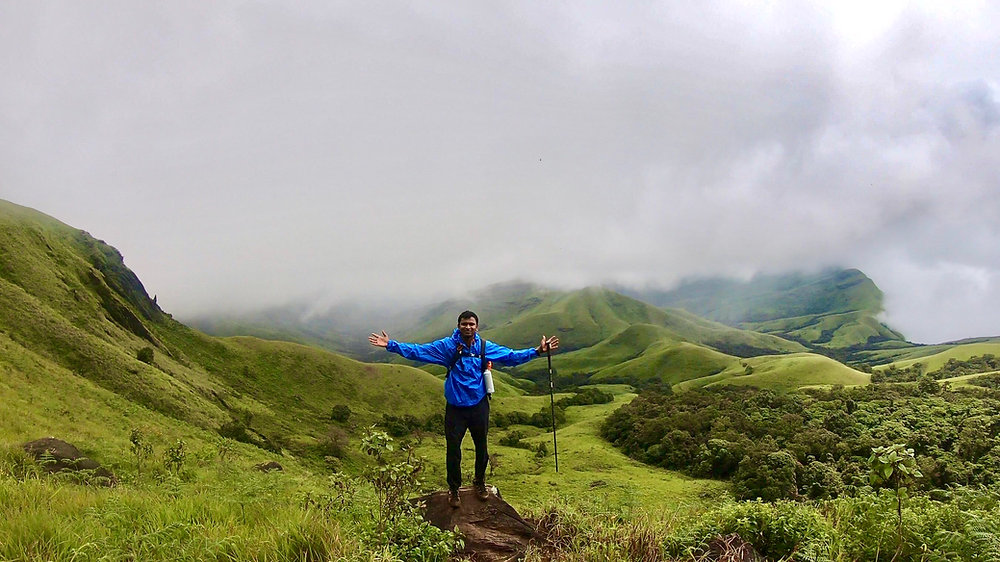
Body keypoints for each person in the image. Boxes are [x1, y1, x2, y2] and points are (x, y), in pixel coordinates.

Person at [369, 310, 558, 508]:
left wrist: (537, 351)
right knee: (453, 450)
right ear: (458, 326)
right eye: (464, 324)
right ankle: (454, 489)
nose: (468, 327)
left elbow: (510, 356)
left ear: (477, 327)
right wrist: (390, 345)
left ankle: (479, 482)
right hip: (455, 408)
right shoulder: (447, 346)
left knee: (482, 448)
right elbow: (419, 351)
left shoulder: (484, 347)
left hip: (478, 405)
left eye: (471, 324)